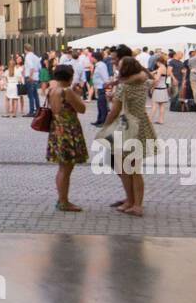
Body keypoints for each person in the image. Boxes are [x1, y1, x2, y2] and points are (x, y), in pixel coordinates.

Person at [96, 56, 157, 217]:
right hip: (142, 123)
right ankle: (132, 201)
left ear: (125, 70)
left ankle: (136, 204)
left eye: (120, 65)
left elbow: (115, 111)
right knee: (129, 167)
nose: (117, 67)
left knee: (130, 168)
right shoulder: (143, 82)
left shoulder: (124, 87)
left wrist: (105, 127)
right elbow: (154, 80)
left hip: (128, 126)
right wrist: (143, 70)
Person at [45, 64, 89, 212]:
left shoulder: (51, 90)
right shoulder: (66, 91)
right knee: (66, 168)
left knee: (62, 168)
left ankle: (61, 199)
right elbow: (81, 109)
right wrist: (78, 94)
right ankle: (64, 201)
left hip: (56, 129)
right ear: (69, 77)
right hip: (68, 131)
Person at [90, 53, 111, 125]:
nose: (91, 59)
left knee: (103, 106)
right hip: (99, 88)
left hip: (102, 88)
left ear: (95, 58)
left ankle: (103, 121)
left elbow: (105, 78)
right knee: (100, 105)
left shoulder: (101, 66)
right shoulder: (98, 65)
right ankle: (99, 120)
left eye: (91, 58)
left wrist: (107, 89)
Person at [149, 54, 170, 125]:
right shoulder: (164, 67)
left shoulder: (160, 68)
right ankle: (161, 120)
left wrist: (152, 87)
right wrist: (154, 72)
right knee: (161, 105)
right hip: (163, 88)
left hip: (158, 88)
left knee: (154, 105)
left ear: (158, 62)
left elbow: (156, 79)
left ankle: (149, 120)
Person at [22, 45, 41, 117]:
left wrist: (30, 76)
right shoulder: (36, 57)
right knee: (35, 95)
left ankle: (31, 111)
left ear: (25, 49)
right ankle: (38, 110)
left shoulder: (28, 56)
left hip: (30, 77)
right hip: (36, 77)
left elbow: (31, 67)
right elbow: (39, 67)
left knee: (31, 95)